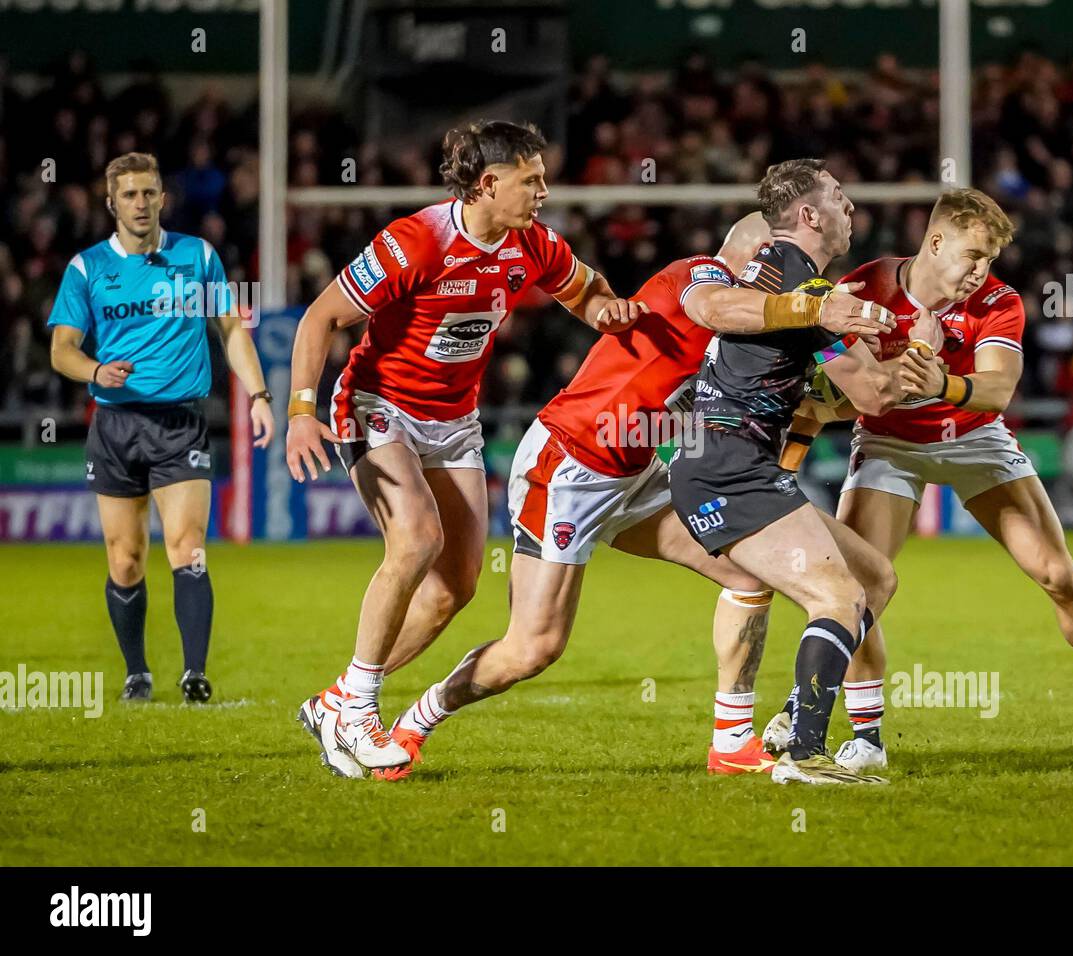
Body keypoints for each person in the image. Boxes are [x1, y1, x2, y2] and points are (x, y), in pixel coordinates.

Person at [379, 211, 895, 780]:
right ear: (753, 259)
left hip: (642, 470)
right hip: (570, 464)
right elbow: (715, 307)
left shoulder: (760, 327)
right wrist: (814, 309)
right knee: (534, 647)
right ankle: (412, 720)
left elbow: (808, 400)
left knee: (748, 574)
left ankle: (732, 739)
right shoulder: (699, 276)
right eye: (773, 266)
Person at [763, 188, 1073, 771]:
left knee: (1058, 575)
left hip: (976, 439)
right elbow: (825, 363)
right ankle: (866, 739)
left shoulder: (999, 301)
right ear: (935, 242)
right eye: (973, 256)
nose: (981, 272)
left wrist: (941, 386)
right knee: (854, 588)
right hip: (890, 442)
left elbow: (998, 388)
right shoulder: (868, 285)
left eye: (990, 261)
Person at [287, 121, 644, 778]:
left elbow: (585, 290)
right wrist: (301, 411)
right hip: (376, 406)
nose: (544, 190)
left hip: (453, 422)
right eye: (531, 179)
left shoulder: (530, 244)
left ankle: (338, 699)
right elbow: (320, 317)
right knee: (416, 539)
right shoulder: (416, 241)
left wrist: (609, 313)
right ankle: (361, 712)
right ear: (489, 182)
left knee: (456, 586)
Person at [669, 159, 944, 785]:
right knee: (840, 595)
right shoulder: (814, 292)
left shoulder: (784, 278)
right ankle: (805, 754)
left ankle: (794, 718)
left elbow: (835, 384)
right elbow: (872, 397)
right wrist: (923, 349)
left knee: (873, 575)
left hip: (720, 457)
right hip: (727, 466)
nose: (852, 209)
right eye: (840, 198)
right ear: (810, 215)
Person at [47, 151, 273, 703]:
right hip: (116, 424)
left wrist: (261, 395)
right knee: (125, 559)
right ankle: (136, 672)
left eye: (149, 193)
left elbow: (231, 328)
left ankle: (195, 675)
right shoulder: (87, 268)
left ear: (162, 198)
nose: (141, 204)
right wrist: (97, 370)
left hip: (180, 424)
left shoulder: (197, 256)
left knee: (187, 546)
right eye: (129, 195)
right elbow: (61, 350)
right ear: (111, 204)